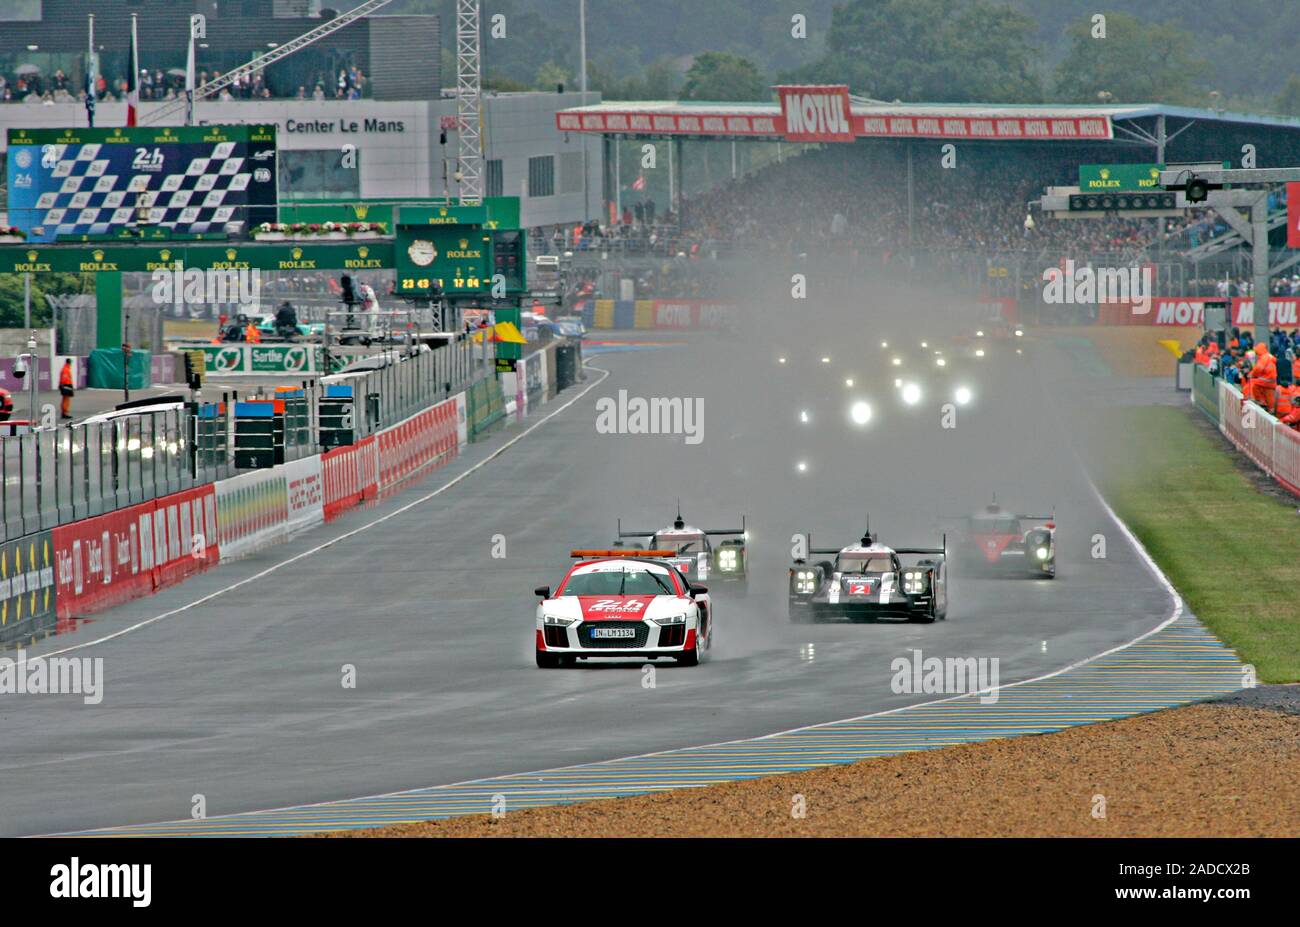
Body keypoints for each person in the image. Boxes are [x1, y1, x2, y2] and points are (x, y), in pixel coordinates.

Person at [1246, 341, 1277, 413]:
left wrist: (1252, 374)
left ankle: (1261, 402)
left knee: (1254, 384)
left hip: (1266, 379)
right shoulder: (1270, 356)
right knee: (1269, 394)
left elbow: (1258, 368)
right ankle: (1271, 410)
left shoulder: (1263, 357)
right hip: (1271, 380)